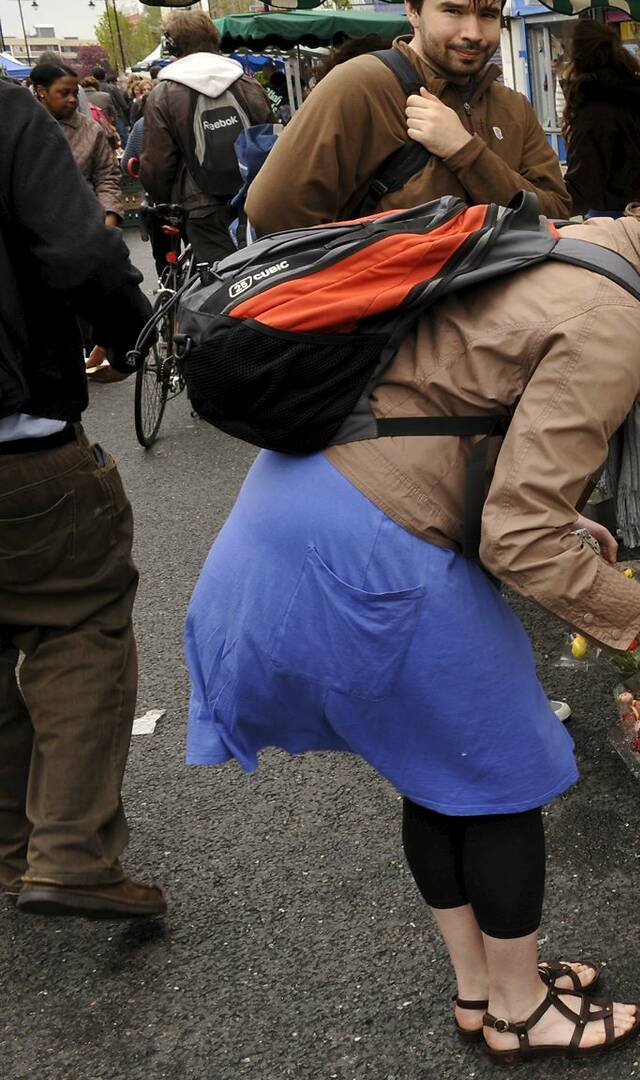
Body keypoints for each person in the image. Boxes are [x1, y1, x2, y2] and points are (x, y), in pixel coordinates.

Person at [183, 166, 640, 1060]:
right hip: (373, 540)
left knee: (441, 772)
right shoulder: (619, 321)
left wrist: (557, 517)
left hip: (314, 496)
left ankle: (484, 988)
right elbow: (519, 539)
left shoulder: (595, 243)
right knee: (506, 770)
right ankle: (522, 1010)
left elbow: (468, 409)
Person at [0, 78, 160, 919]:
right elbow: (79, 252)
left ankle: (14, 849)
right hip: (17, 435)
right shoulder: (4, 112)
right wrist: (133, 330)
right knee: (80, 615)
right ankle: (67, 850)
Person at [245, 0, 570, 237]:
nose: (473, 33)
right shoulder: (361, 84)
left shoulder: (513, 107)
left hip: (506, 318)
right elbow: (274, 212)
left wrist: (466, 153)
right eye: (453, 11)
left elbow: (556, 215)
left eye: (487, 15)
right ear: (413, 11)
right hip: (392, 322)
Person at [138, 11, 275, 261]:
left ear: (171, 45)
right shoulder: (249, 85)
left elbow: (157, 165)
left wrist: (164, 201)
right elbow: (272, 141)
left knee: (217, 281)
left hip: (200, 208)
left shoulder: (164, 94)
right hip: (254, 200)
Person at [561, 20, 640, 217]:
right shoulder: (635, 100)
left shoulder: (594, 114)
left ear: (577, 59)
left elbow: (582, 187)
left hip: (613, 222)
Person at [29, 62, 119, 228]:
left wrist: (109, 219)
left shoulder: (91, 130)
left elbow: (107, 177)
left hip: (86, 226)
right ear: (42, 92)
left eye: (75, 93)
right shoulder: (24, 129)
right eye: (64, 93)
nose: (72, 99)